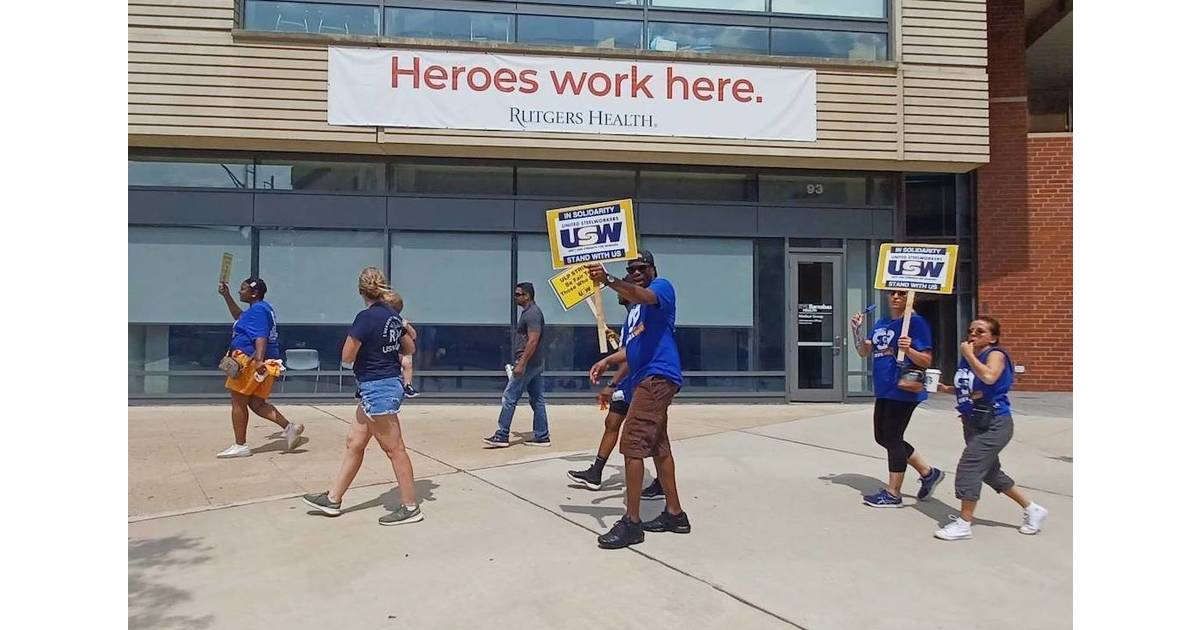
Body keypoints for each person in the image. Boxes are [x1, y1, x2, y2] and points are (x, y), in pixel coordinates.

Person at [302, 267, 424, 526]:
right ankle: (333, 499)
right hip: (377, 387)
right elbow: (410, 347)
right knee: (354, 443)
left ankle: (411, 507)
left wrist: (366, 348)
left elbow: (347, 356)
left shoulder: (365, 318)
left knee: (395, 449)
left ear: (361, 291)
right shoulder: (392, 317)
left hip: (378, 388)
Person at [586, 251, 688, 549]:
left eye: (642, 267)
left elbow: (641, 294)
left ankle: (632, 523)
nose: (637, 272)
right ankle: (675, 514)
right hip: (646, 377)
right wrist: (607, 363)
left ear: (653, 269)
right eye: (632, 269)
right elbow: (633, 350)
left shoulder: (662, 289)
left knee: (631, 445)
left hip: (657, 377)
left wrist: (607, 278)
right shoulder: (636, 315)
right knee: (658, 446)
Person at [932, 317, 1048, 540]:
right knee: (991, 473)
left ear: (993, 337)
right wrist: (944, 388)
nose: (973, 334)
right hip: (973, 420)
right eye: (971, 330)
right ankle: (1032, 508)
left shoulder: (995, 354)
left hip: (995, 422)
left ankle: (964, 523)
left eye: (980, 332)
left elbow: (989, 376)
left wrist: (968, 354)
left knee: (970, 467)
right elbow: (972, 390)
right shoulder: (969, 359)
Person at [851, 290, 943, 507]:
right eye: (892, 293)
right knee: (882, 437)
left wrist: (907, 349)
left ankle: (893, 494)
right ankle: (928, 473)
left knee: (892, 437)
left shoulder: (916, 323)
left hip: (903, 389)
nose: (895, 297)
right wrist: (856, 331)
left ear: (910, 297)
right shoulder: (882, 323)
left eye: (901, 293)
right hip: (884, 389)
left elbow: (926, 360)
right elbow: (864, 352)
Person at [568, 284, 661, 496]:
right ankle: (596, 471)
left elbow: (634, 355)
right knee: (612, 422)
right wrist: (618, 341)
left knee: (654, 434)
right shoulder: (631, 318)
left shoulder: (642, 314)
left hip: (641, 382)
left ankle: (662, 482)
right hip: (627, 383)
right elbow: (627, 350)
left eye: (622, 288)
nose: (618, 292)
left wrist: (611, 384)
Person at [216, 277, 303, 458]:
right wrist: (226, 296)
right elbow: (239, 317)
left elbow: (261, 336)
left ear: (254, 293)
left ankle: (240, 445)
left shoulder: (258, 311)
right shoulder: (260, 309)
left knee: (238, 401)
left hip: (251, 361)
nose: (240, 291)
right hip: (264, 361)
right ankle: (289, 428)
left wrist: (258, 361)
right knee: (256, 403)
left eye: (243, 289)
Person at [483, 282, 550, 448]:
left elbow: (533, 340)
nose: (515, 297)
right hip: (534, 363)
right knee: (537, 400)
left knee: (509, 397)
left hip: (528, 363)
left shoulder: (532, 314)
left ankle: (502, 435)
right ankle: (542, 436)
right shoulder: (529, 313)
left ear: (527, 295)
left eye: (518, 294)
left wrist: (521, 364)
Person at [383, 293, 420, 398]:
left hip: (395, 351)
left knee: (407, 363)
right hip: (382, 351)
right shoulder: (379, 321)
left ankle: (408, 385)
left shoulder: (398, 321)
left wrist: (406, 326)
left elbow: (413, 336)